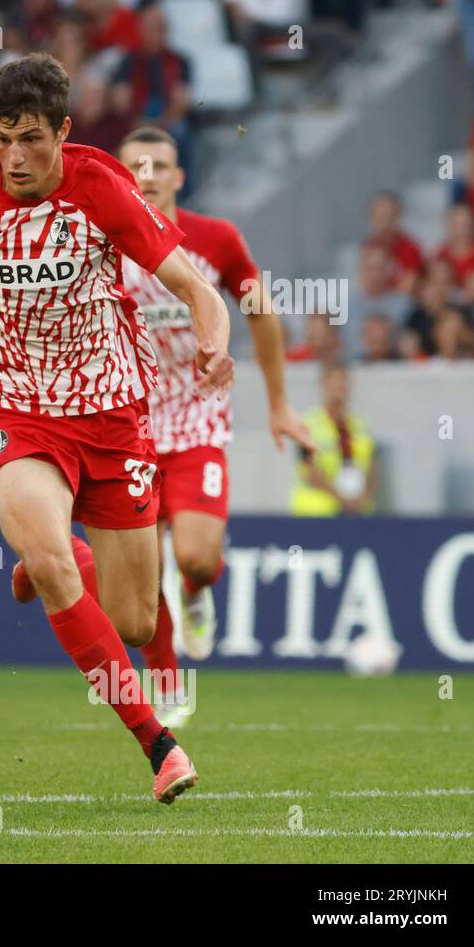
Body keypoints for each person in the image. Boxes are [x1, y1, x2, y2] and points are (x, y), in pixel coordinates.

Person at [0, 54, 233, 804]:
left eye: (30, 139)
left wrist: (212, 338)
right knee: (52, 562)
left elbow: (193, 286)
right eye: (1, 140)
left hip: (114, 418)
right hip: (18, 415)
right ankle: (158, 743)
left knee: (128, 616)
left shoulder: (104, 191)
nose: (15, 158)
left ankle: (58, 559)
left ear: (62, 130)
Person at [55, 125, 309, 727]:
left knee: (193, 559)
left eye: (160, 165)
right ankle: (165, 675)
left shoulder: (214, 240)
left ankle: (196, 594)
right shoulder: (96, 237)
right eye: (135, 165)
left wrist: (278, 403)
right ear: (118, 174)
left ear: (179, 175)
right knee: (139, 573)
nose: (148, 175)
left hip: (196, 424)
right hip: (126, 427)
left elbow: (261, 314)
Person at [292, 362, 378, 516]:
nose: (340, 388)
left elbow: (372, 468)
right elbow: (310, 471)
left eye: (344, 382)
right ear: (323, 385)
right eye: (335, 383)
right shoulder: (308, 425)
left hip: (358, 512)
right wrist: (342, 498)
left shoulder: (361, 426)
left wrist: (362, 497)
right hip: (318, 512)